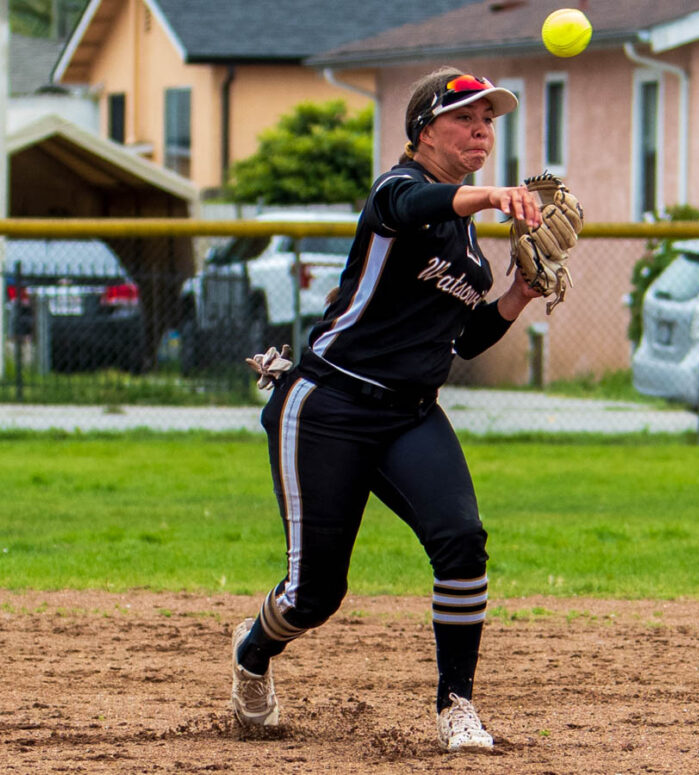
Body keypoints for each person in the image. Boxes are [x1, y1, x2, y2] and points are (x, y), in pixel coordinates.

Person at [231, 67, 547, 752]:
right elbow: (412, 207)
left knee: (461, 539)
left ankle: (457, 704)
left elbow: (464, 340)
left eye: (489, 121)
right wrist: (491, 194)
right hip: (328, 405)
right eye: (465, 118)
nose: (481, 131)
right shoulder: (396, 190)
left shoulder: (466, 243)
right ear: (425, 129)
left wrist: (519, 294)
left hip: (411, 415)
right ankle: (252, 653)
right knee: (314, 596)